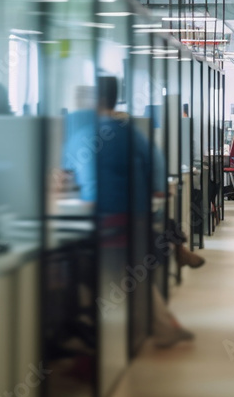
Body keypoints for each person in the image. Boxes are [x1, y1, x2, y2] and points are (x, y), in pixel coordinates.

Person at [68, 76, 202, 347]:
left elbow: (76, 179)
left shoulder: (84, 135)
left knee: (101, 274)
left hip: (107, 220)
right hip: (136, 216)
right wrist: (154, 189)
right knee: (132, 274)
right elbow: (157, 169)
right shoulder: (132, 133)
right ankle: (162, 326)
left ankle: (98, 338)